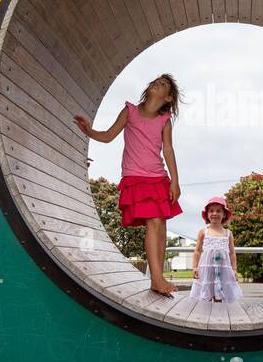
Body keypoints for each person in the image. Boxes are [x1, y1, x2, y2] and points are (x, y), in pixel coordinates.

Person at [73, 74, 183, 296]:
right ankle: (157, 278)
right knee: (153, 222)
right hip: (136, 177)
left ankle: (157, 278)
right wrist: (89, 131)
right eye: (155, 81)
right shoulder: (130, 111)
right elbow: (108, 135)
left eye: (163, 84)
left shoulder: (165, 120)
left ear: (168, 98)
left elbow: (168, 150)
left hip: (158, 178)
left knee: (160, 226)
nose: (156, 84)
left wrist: (175, 181)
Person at [190, 196, 242, 304]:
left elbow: (232, 253)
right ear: (207, 214)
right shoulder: (203, 232)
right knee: (206, 293)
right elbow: (197, 251)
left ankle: (218, 315)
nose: (215, 213)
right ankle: (205, 315)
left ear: (224, 214)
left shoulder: (228, 233)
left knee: (220, 292)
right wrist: (195, 267)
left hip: (223, 269)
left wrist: (234, 269)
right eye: (211, 211)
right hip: (206, 269)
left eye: (218, 211)